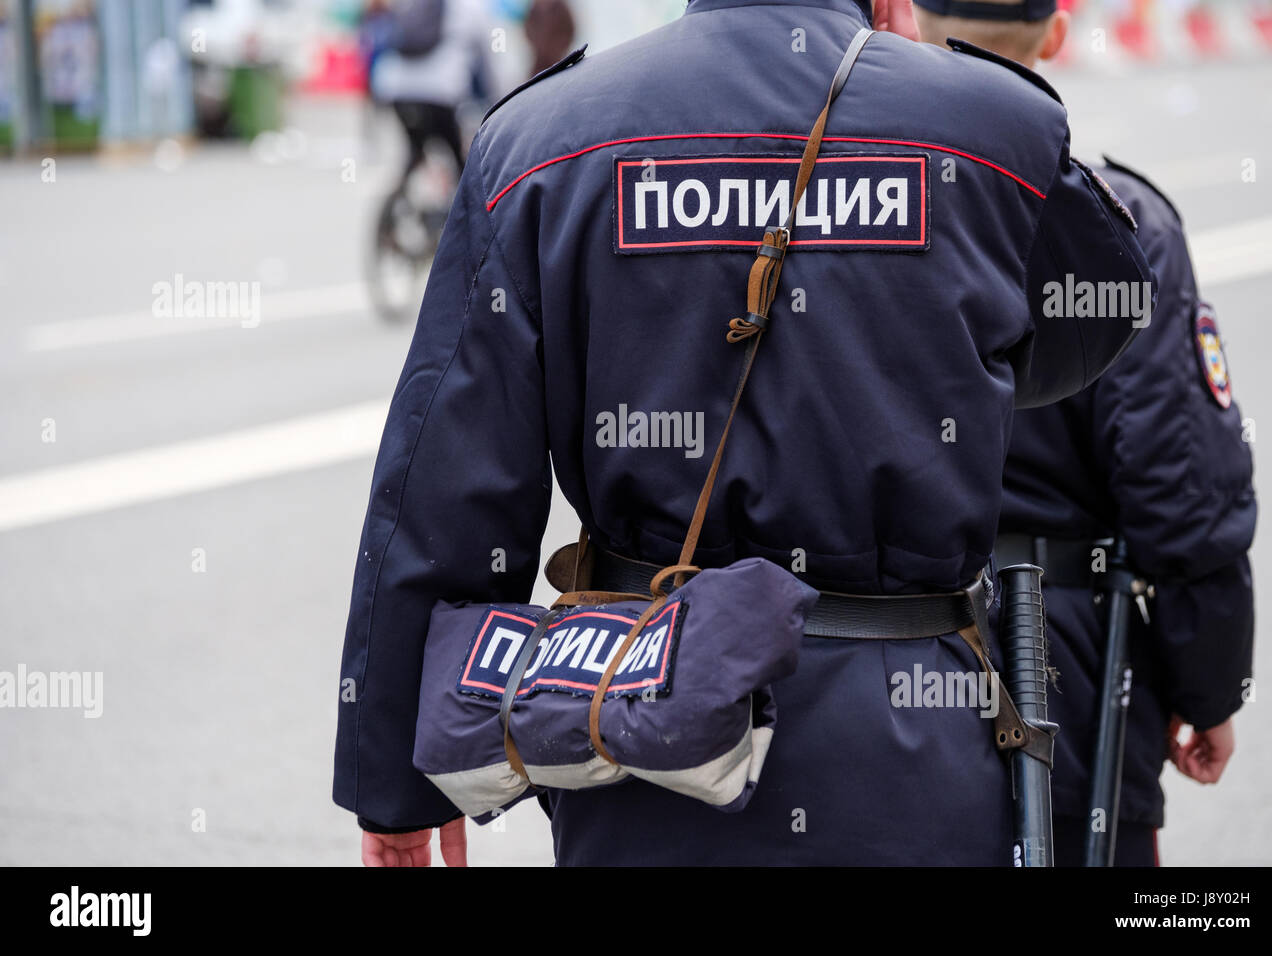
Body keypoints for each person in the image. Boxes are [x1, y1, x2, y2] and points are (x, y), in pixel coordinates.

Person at [333, 0, 1154, 866]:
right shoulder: (993, 124)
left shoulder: (544, 135)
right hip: (909, 745)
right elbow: (1090, 324)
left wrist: (396, 786)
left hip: (644, 728)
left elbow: (444, 484)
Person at [915, 0, 1257, 865]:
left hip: (878, 671)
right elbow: (1183, 497)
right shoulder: (1118, 220)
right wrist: (1210, 687)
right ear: (1057, 33)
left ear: (901, 21)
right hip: (1071, 680)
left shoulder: (857, 208)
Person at [370, 0, 494, 178]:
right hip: (442, 92)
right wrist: (499, 101)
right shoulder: (471, 6)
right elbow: (490, 63)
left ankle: (395, 199)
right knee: (459, 159)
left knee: (415, 152)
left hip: (395, 89)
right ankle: (465, 201)